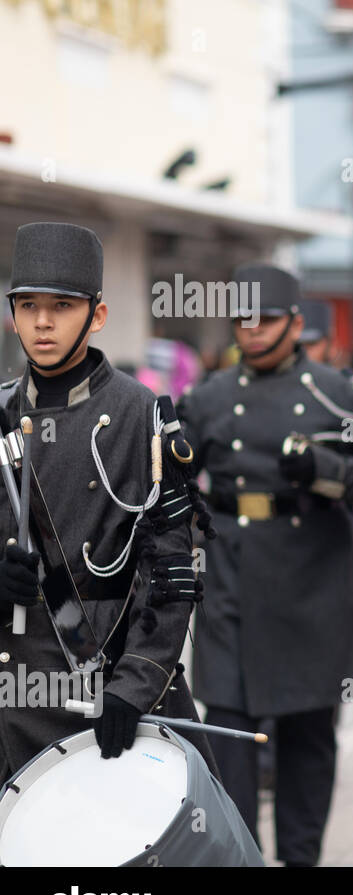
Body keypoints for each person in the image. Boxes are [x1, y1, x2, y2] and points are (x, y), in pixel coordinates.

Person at [179, 263, 353, 867]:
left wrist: (325, 472)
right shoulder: (209, 396)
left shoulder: (338, 392)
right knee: (227, 733)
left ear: (295, 323)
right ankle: (240, 856)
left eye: (266, 318)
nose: (252, 329)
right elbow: (171, 480)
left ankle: (301, 858)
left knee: (307, 736)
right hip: (231, 578)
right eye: (242, 317)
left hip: (314, 578)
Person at [0, 222, 214, 779]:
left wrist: (136, 684)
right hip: (11, 700)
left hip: (111, 698)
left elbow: (172, 571)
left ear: (96, 315)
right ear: (12, 313)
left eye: (62, 306)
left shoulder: (140, 414)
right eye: (27, 305)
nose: (42, 322)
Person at [298, 300, 333, 365]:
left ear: (328, 342)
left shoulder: (338, 375)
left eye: (311, 344)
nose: (304, 352)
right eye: (298, 345)